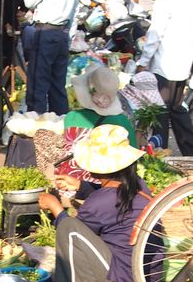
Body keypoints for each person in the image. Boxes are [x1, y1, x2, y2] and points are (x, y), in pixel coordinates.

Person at [38, 123, 161, 282]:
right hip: (149, 281)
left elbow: (76, 237)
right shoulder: (137, 184)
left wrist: (55, 207)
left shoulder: (98, 204)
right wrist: (81, 186)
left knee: (68, 228)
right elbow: (113, 199)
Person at [136, 0, 193, 157]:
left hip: (165, 64)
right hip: (181, 63)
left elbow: (156, 33)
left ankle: (159, 153)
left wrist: (143, 61)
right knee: (176, 108)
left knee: (161, 112)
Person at [22, 0, 83, 116]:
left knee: (38, 85)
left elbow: (29, 0)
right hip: (63, 33)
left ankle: (35, 132)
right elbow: (75, 5)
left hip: (47, 31)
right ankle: (60, 129)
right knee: (57, 86)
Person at [54, 61, 137, 189]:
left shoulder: (71, 118)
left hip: (69, 183)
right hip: (105, 187)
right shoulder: (122, 121)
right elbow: (132, 158)